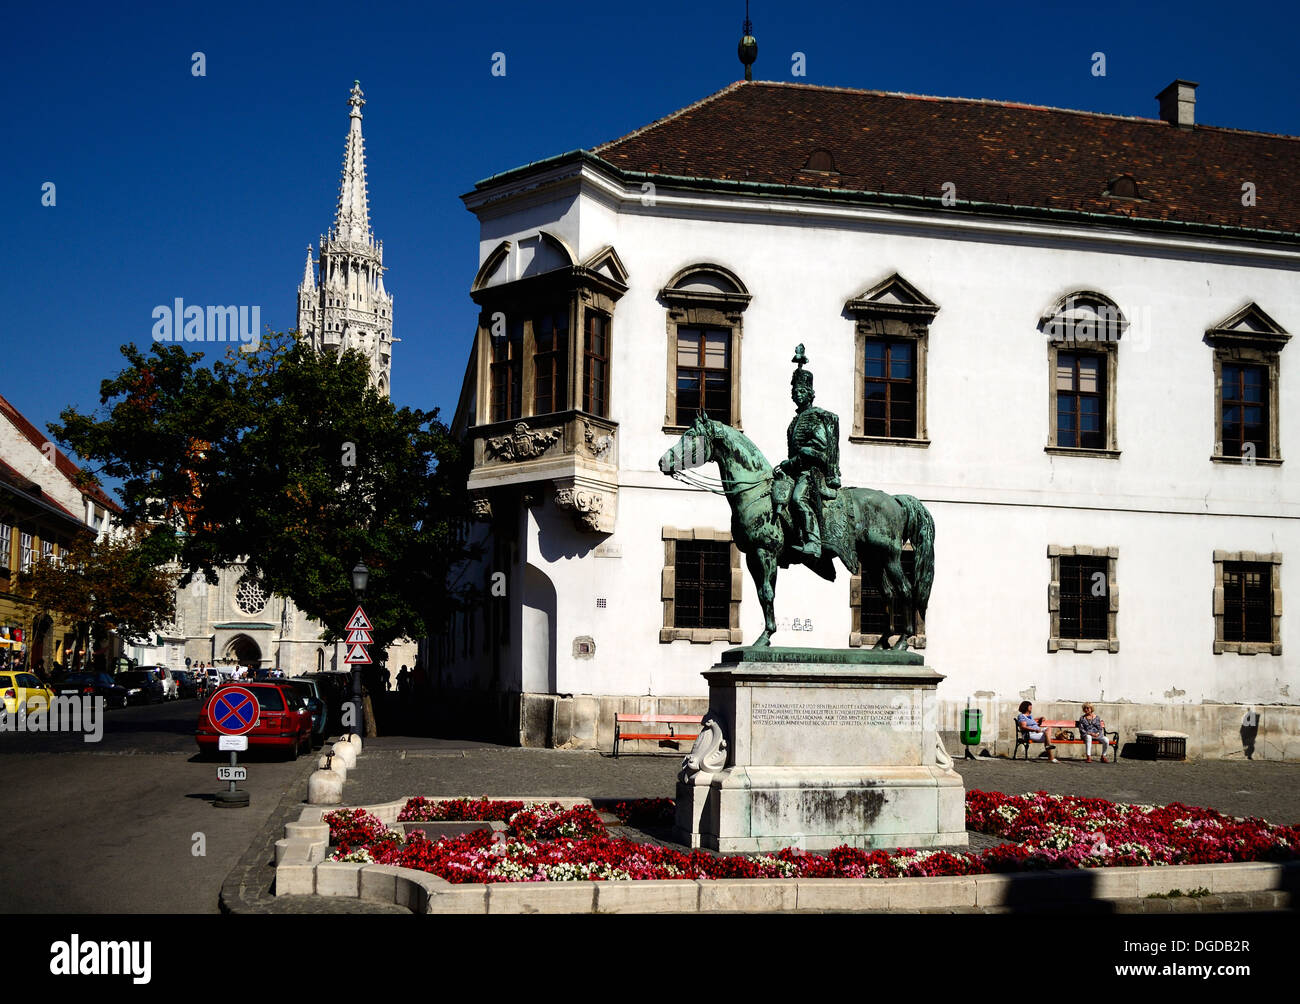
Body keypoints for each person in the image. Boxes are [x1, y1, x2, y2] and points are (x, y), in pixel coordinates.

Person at [775, 344, 841, 560]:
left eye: (802, 391)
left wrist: (798, 457)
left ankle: (813, 542)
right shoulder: (794, 422)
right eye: (795, 392)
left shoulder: (816, 417)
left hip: (813, 473)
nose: (797, 395)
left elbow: (820, 451)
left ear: (811, 394)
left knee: (797, 500)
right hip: (796, 471)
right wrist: (786, 467)